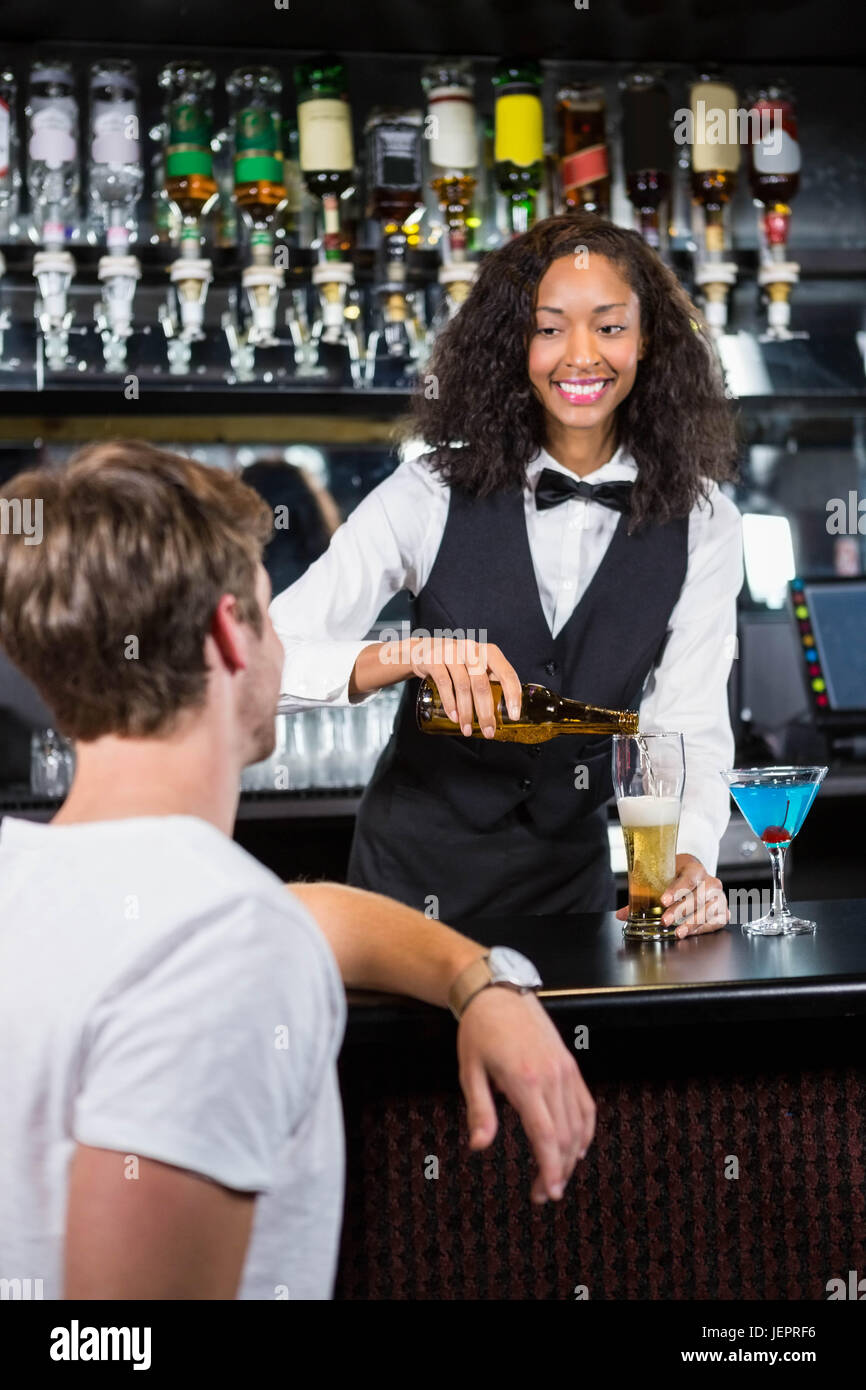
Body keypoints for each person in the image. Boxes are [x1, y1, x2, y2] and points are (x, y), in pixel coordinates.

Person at [0, 440, 595, 1301]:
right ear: (228, 636)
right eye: (272, 615)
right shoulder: (229, 947)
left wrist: (478, 981)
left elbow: (309, 918)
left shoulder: (39, 879)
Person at [270, 213, 743, 927]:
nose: (581, 356)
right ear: (512, 343)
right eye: (549, 328)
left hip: (571, 897)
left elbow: (687, 726)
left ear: (647, 339)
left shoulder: (705, 522)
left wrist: (688, 858)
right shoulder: (428, 492)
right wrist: (395, 657)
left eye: (610, 327)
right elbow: (263, 662)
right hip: (408, 893)